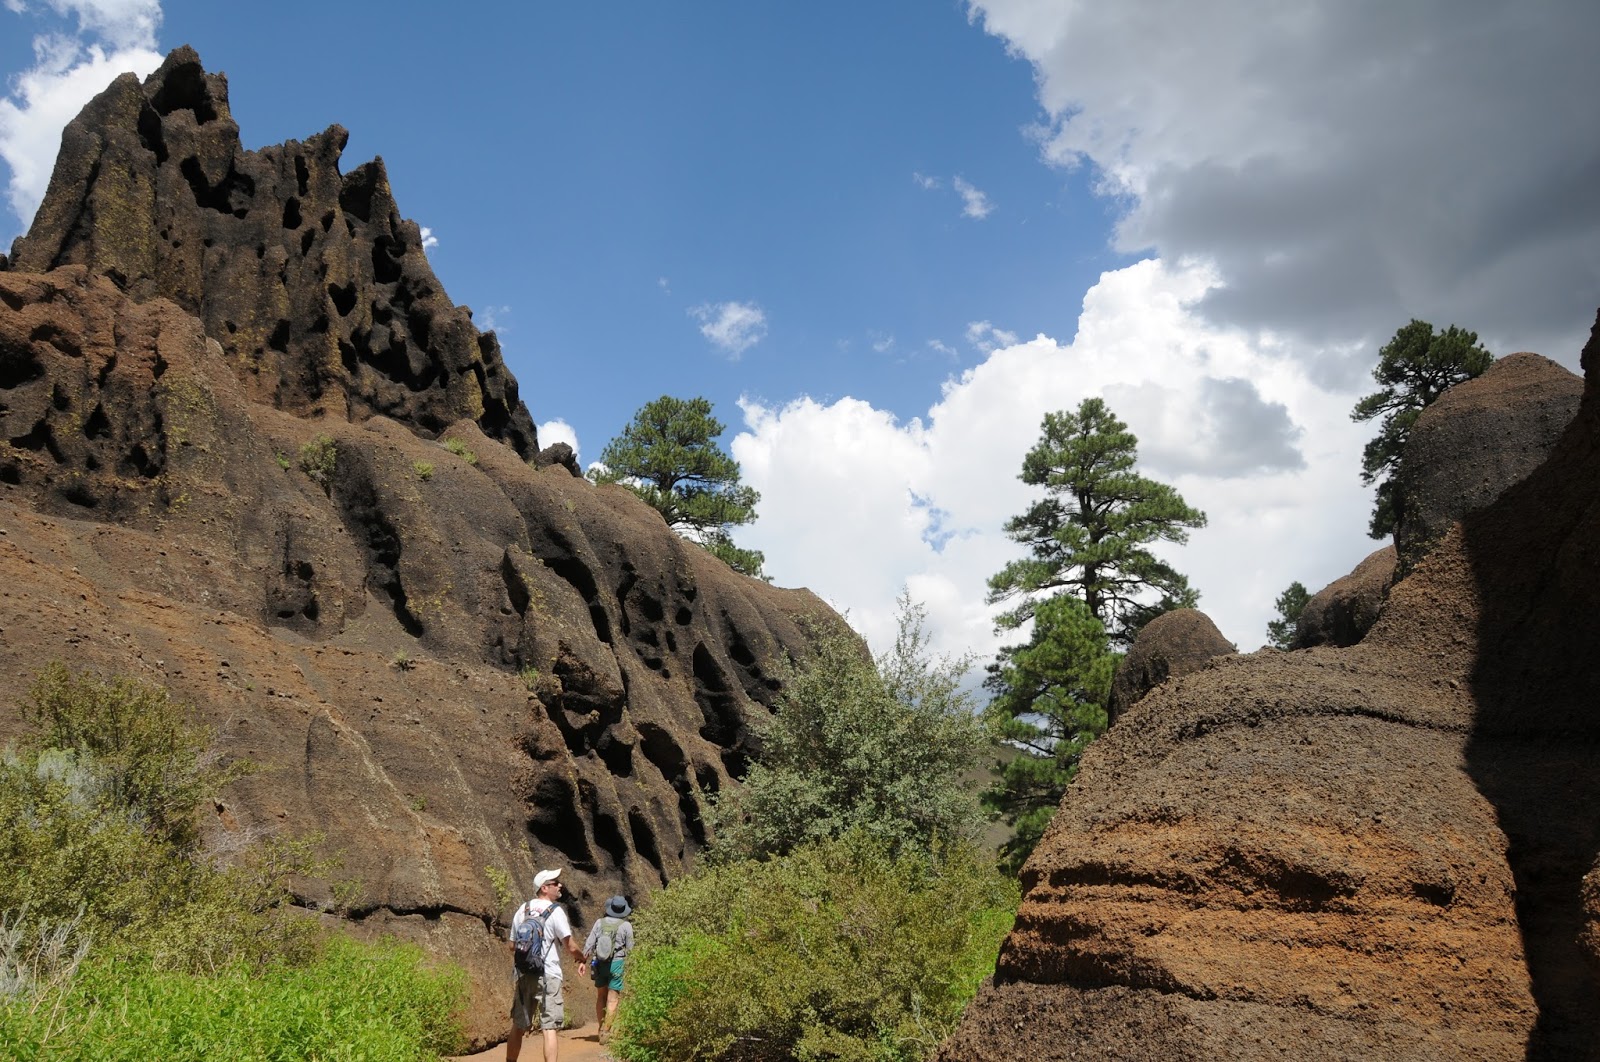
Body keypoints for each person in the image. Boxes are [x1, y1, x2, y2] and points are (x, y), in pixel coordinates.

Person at [506, 868, 585, 1062]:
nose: (560, 885)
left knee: (518, 1025)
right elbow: (570, 945)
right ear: (544, 888)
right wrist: (581, 959)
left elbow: (511, 946)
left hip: (524, 974)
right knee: (549, 1027)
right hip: (548, 974)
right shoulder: (555, 911)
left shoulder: (522, 910)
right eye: (555, 883)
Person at [581, 895, 634, 1043]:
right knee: (613, 998)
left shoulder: (599, 923)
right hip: (617, 964)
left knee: (601, 996)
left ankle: (600, 1028)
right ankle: (606, 1031)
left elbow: (590, 943)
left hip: (599, 963)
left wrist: (582, 961)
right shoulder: (626, 926)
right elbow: (630, 948)